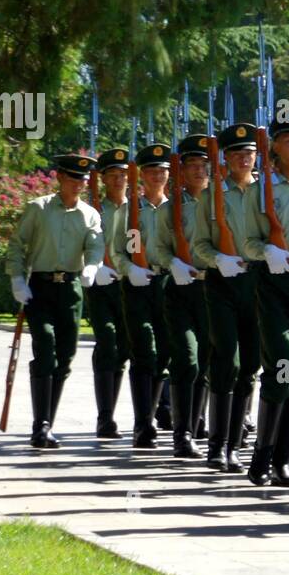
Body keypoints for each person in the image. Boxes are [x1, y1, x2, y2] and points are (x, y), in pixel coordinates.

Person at [6, 153, 105, 449]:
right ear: (60, 177)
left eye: (83, 179)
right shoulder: (38, 209)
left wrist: (91, 267)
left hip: (71, 288)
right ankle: (41, 425)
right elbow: (17, 244)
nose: (79, 184)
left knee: (65, 355)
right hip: (41, 287)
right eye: (74, 178)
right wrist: (17, 278)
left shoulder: (90, 214)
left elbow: (96, 246)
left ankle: (48, 422)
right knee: (45, 349)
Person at [242, 107, 289, 486]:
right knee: (281, 367)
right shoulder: (260, 190)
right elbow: (246, 240)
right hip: (271, 285)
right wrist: (267, 252)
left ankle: (283, 460)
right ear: (274, 146)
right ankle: (263, 454)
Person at [192, 122, 261, 471]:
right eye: (236, 154)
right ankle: (217, 446)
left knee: (250, 364)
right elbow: (199, 243)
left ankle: (234, 444)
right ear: (226, 159)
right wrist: (217, 259)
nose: (243, 159)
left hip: (258, 283)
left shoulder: (266, 193)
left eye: (248, 153)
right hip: (221, 282)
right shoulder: (212, 196)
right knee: (226, 360)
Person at [148, 133, 214, 459]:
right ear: (182, 171)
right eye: (192, 165)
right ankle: (181, 434)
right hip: (179, 289)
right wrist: (171, 262)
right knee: (185, 359)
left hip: (212, 288)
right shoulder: (171, 208)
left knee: (204, 361)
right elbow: (157, 247)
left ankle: (197, 423)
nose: (199, 171)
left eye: (204, 165)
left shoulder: (221, 203)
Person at [109, 142, 173, 449]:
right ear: (142, 176)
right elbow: (117, 250)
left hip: (167, 284)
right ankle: (142, 423)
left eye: (162, 171)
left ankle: (150, 415)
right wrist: (128, 270)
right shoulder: (128, 209)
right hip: (136, 285)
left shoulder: (176, 208)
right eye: (152, 171)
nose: (158, 176)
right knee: (143, 349)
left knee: (164, 352)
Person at [86, 147, 132, 439]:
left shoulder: (138, 209)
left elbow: (141, 245)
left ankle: (111, 414)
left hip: (129, 285)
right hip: (102, 286)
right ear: (102, 178)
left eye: (123, 174)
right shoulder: (91, 211)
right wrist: (92, 267)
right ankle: (105, 418)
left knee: (124, 349)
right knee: (107, 343)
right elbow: (81, 245)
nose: (118, 180)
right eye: (112, 175)